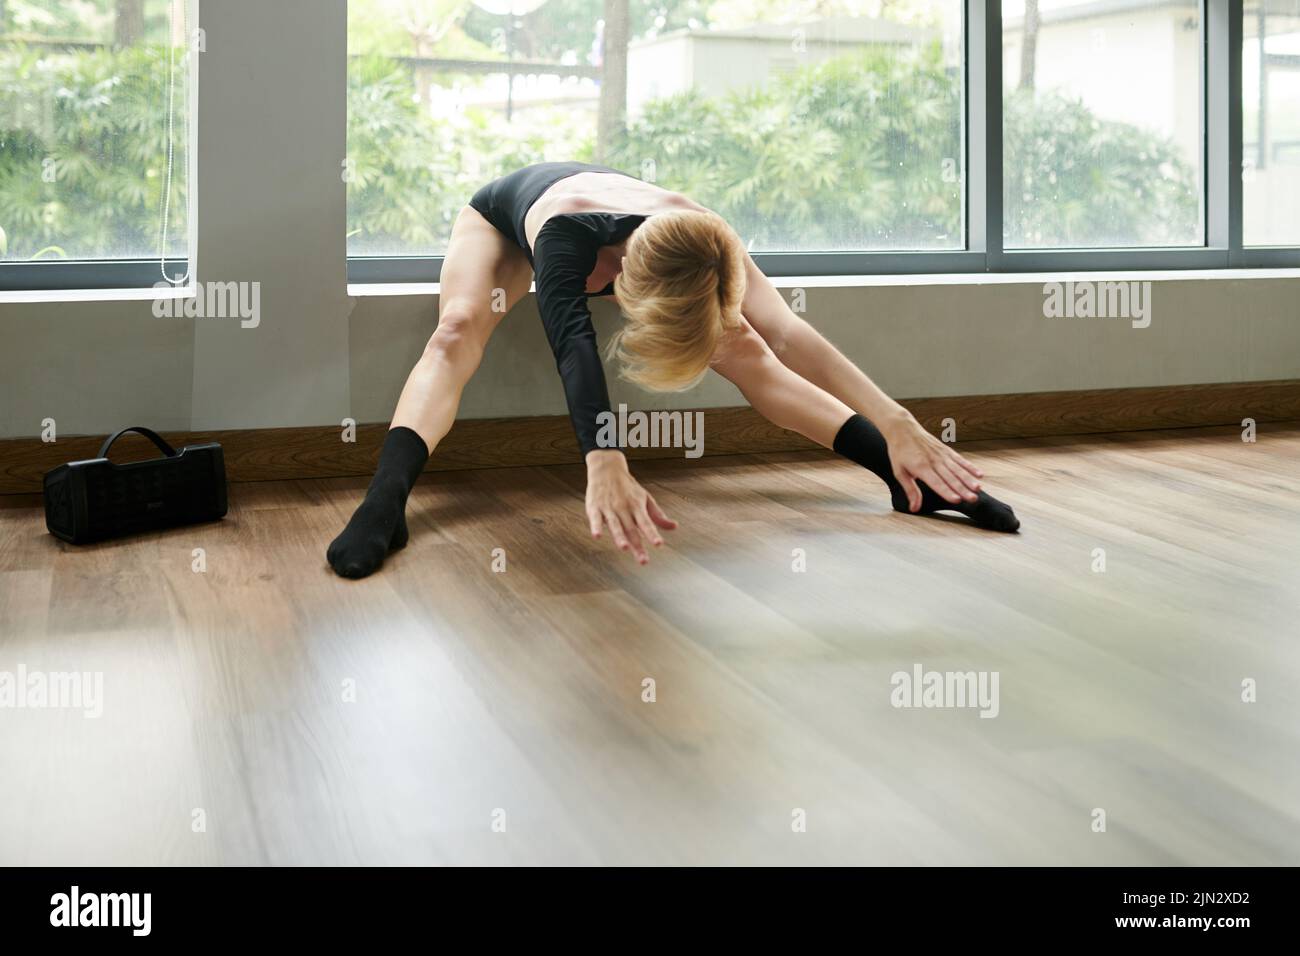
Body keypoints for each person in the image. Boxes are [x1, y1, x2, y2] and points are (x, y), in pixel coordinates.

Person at [327, 161, 1018, 578]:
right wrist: (604, 459)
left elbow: (787, 332)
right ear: (626, 276)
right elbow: (572, 344)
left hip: (649, 243)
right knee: (457, 329)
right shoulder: (566, 238)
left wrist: (897, 423)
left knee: (744, 344)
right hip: (504, 219)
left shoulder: (705, 236)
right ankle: (385, 503)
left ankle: (900, 479)